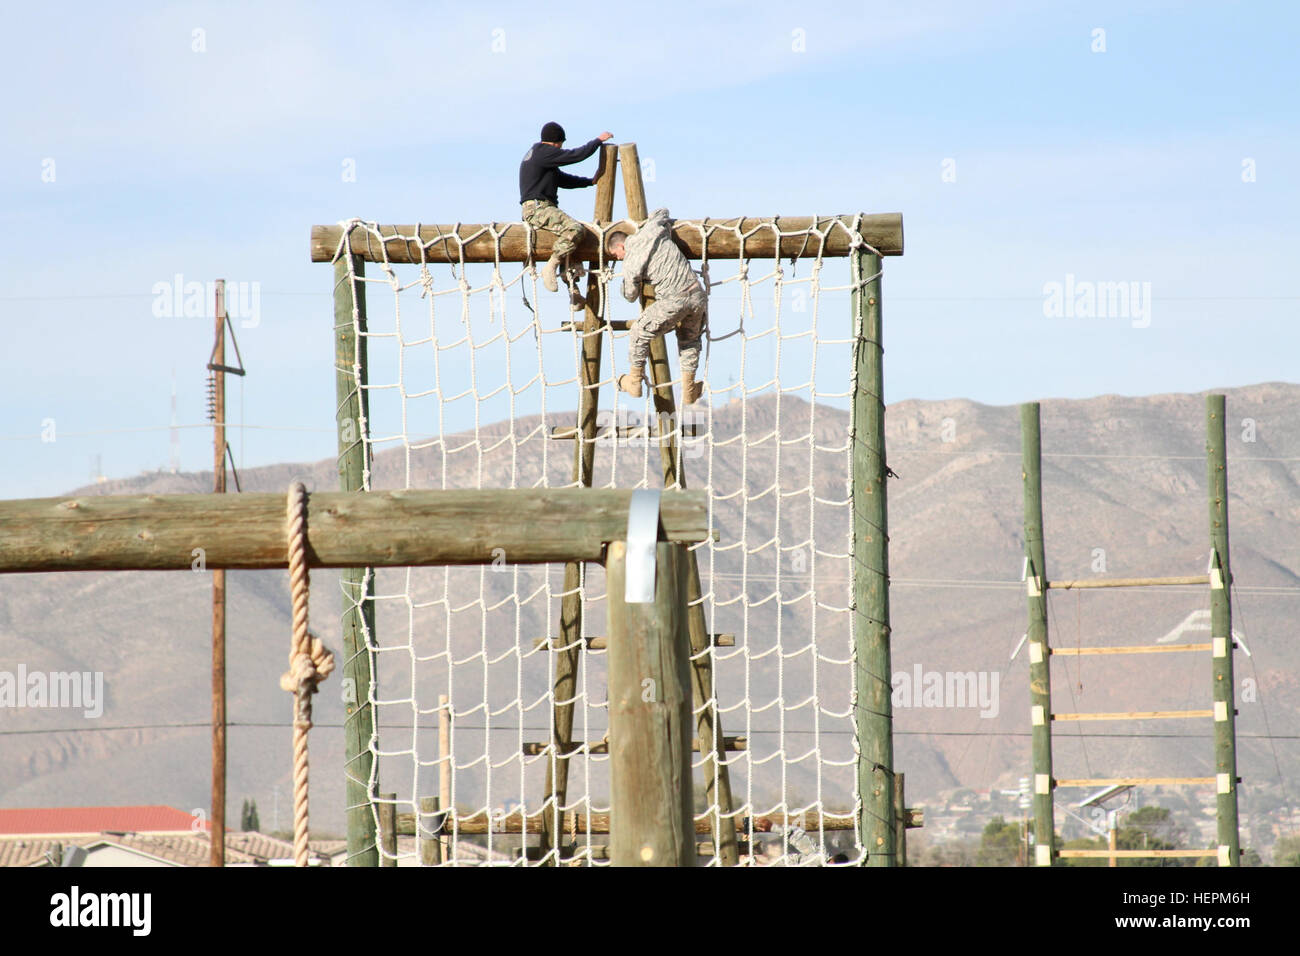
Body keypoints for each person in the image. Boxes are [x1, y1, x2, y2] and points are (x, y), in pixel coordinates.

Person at [605, 209, 706, 405]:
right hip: (697, 294)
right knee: (689, 341)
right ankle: (689, 390)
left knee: (638, 332)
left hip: (674, 298)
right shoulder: (652, 229)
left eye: (615, 254)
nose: (617, 259)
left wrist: (629, 278)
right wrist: (646, 225)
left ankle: (634, 381)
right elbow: (662, 212)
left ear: (620, 245)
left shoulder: (630, 259)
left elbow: (630, 295)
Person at [519, 122, 612, 307]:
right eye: (561, 144)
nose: (561, 148)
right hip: (538, 209)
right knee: (574, 230)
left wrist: (589, 182)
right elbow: (576, 155)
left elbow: (561, 179)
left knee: (572, 240)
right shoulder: (543, 152)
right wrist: (598, 141)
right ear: (556, 142)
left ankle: (572, 289)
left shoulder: (539, 156)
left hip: (541, 208)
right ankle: (551, 266)